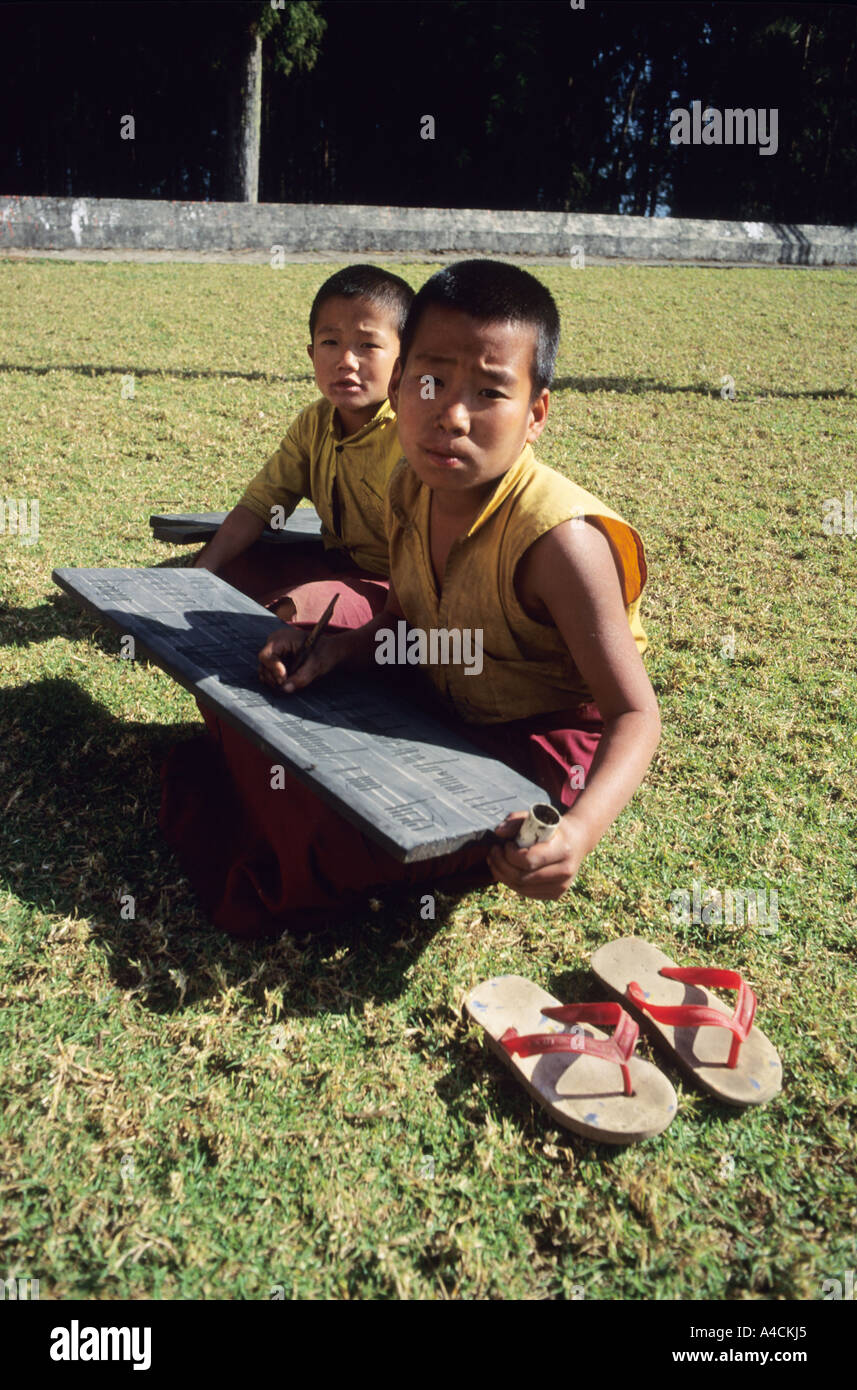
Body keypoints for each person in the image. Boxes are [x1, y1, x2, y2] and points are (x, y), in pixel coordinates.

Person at [160, 260, 661, 937]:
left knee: (330, 840)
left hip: (530, 740)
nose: (450, 415)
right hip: (434, 691)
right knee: (246, 695)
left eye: (488, 392)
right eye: (430, 381)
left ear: (534, 413)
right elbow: (402, 623)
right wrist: (332, 649)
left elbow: (633, 713)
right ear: (401, 385)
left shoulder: (561, 542)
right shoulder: (410, 488)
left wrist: (576, 833)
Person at [191, 264, 413, 626]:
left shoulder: (414, 433)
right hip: (334, 566)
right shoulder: (315, 422)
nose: (346, 361)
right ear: (311, 356)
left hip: (397, 592)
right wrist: (202, 572)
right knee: (228, 565)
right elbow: (260, 505)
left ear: (404, 364)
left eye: (368, 345)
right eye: (330, 343)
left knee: (301, 609)